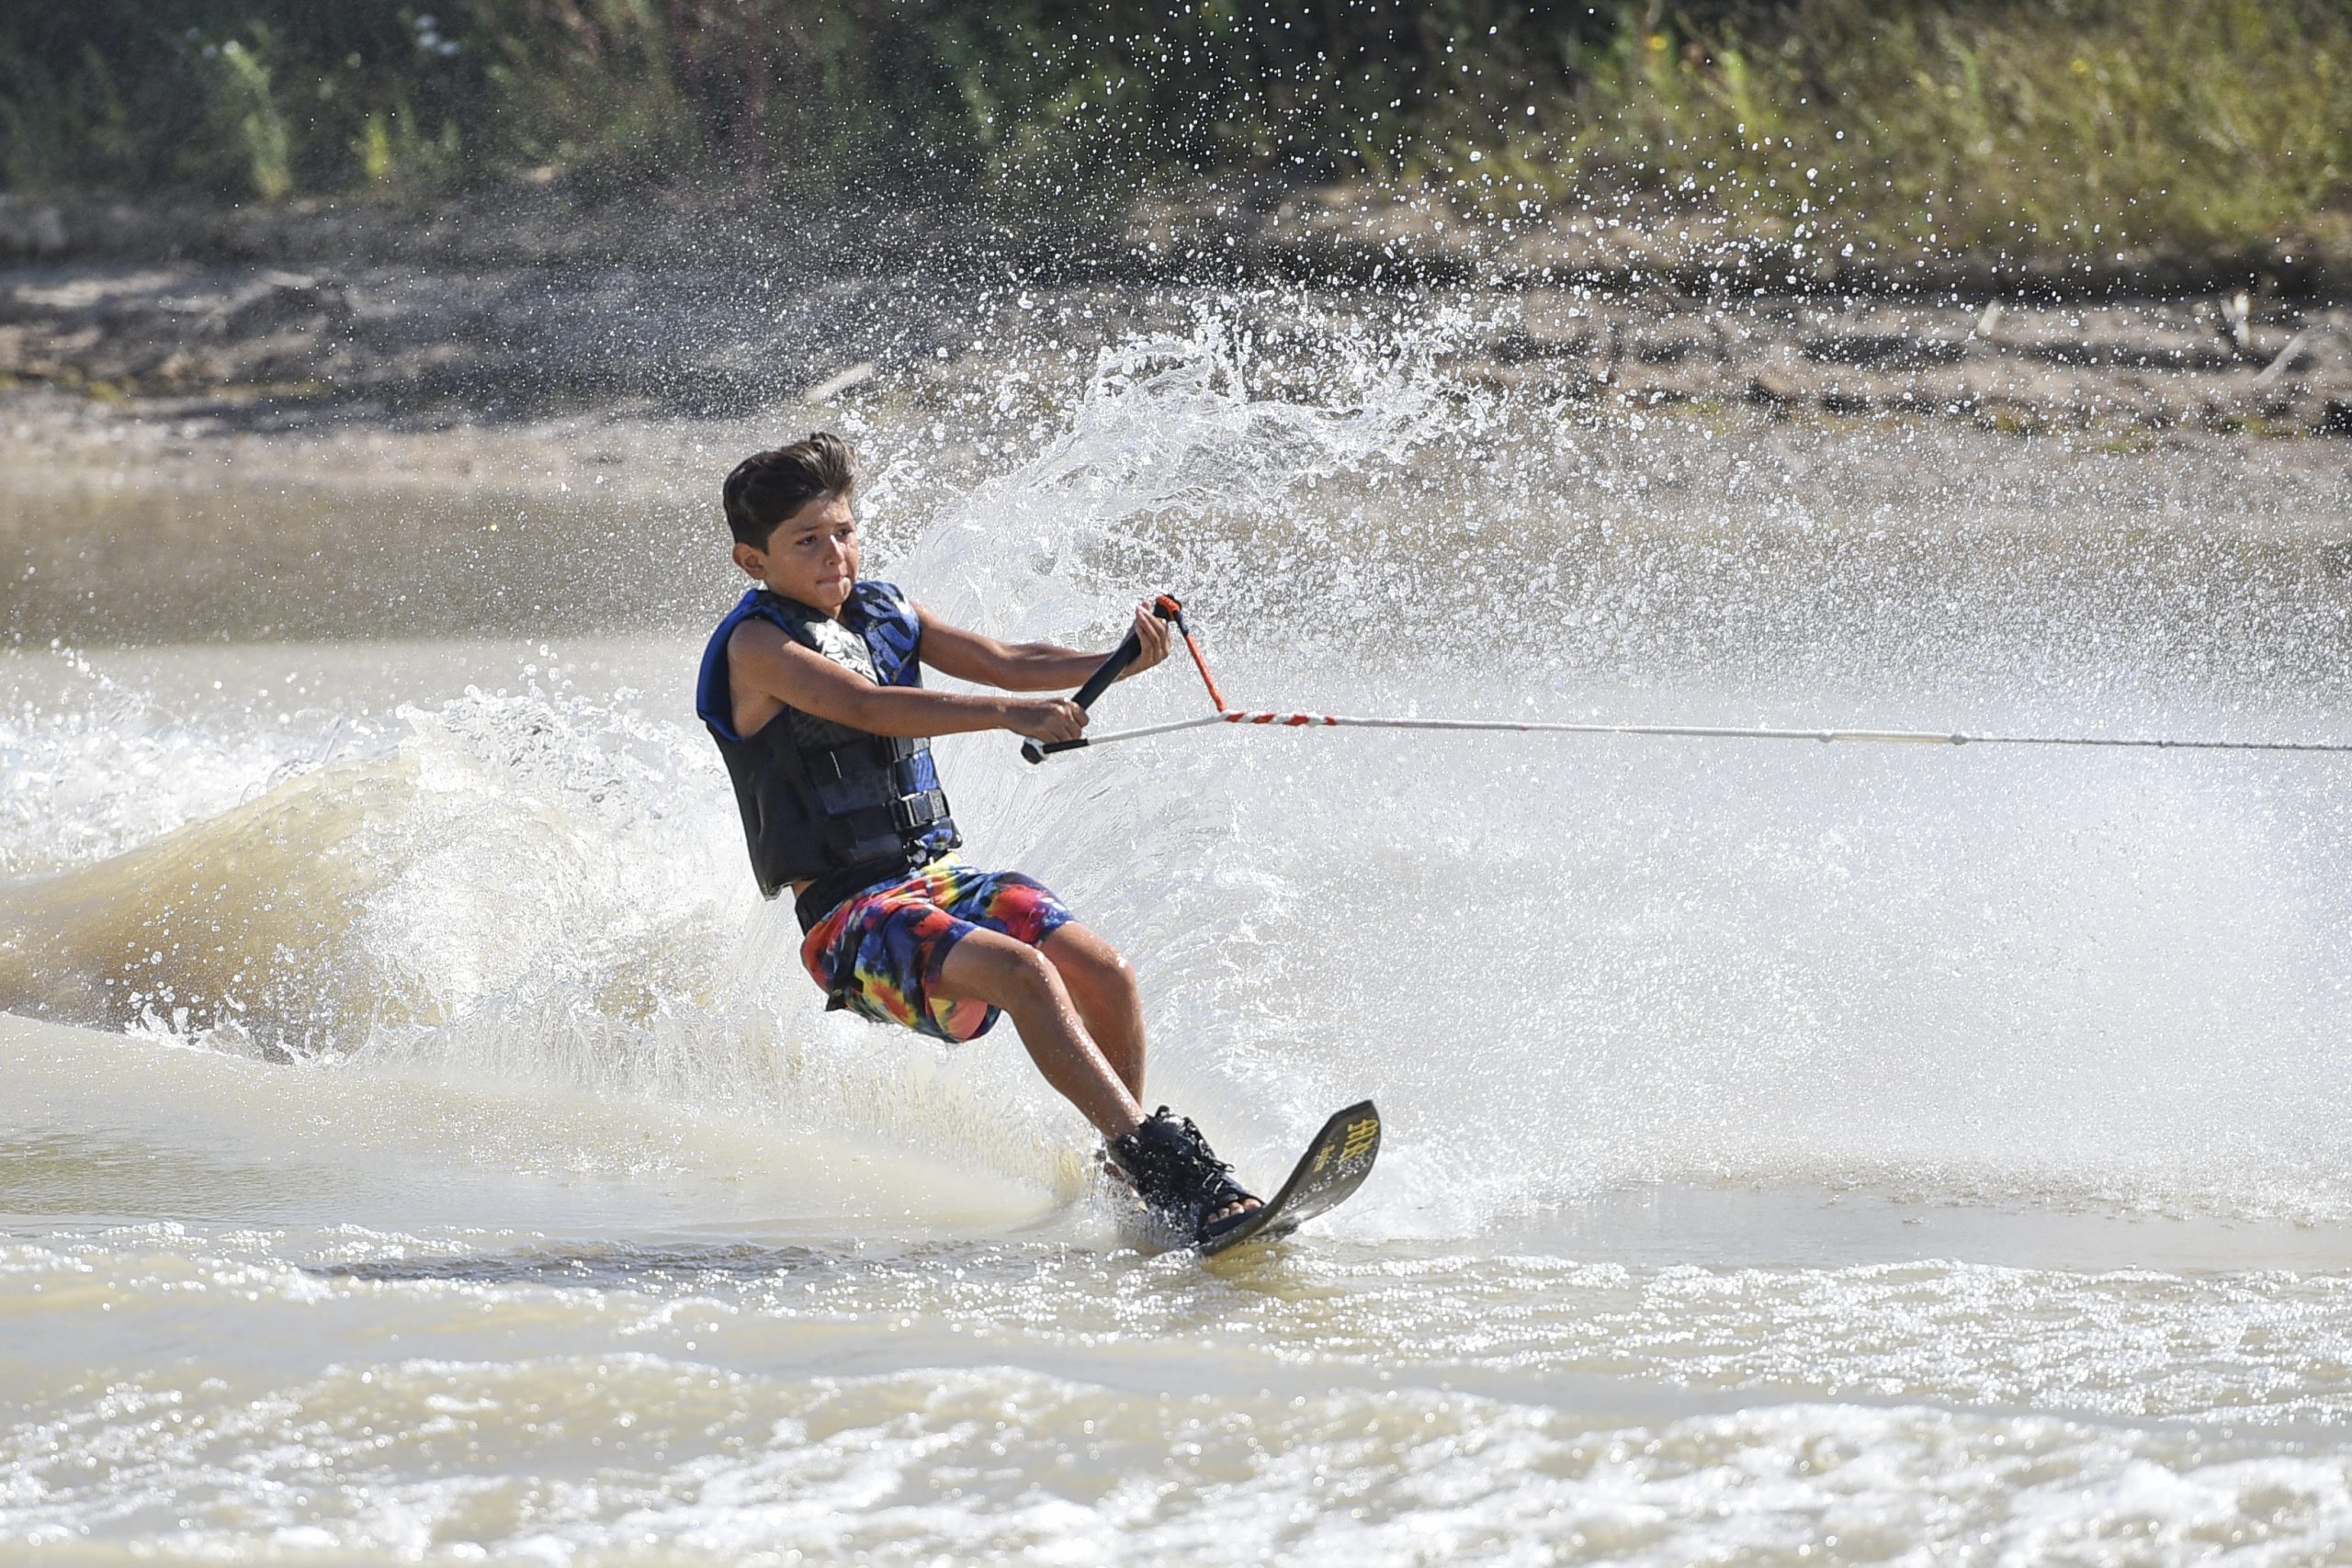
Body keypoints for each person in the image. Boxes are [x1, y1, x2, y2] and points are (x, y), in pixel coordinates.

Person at [695, 432, 1261, 1245]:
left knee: (1107, 972)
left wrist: (1118, 659)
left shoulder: (884, 610)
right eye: (807, 542)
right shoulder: (757, 647)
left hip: (933, 882)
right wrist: (1006, 716)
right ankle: (1163, 1164)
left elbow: (1005, 659)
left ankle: (1124, 1175)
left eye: (844, 532)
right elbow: (865, 707)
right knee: (1023, 971)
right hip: (847, 925)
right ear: (755, 561)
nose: (835, 556)